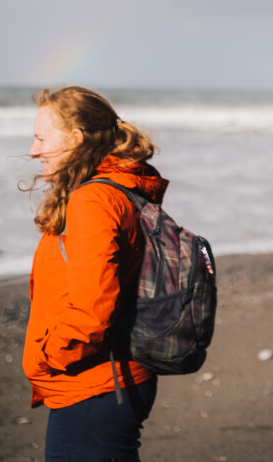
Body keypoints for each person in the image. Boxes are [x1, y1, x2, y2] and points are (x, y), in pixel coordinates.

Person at [22, 86, 167, 461]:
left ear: (76, 138)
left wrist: (49, 357)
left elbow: (92, 308)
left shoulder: (93, 200)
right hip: (112, 381)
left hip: (96, 386)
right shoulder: (116, 188)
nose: (33, 150)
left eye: (41, 139)